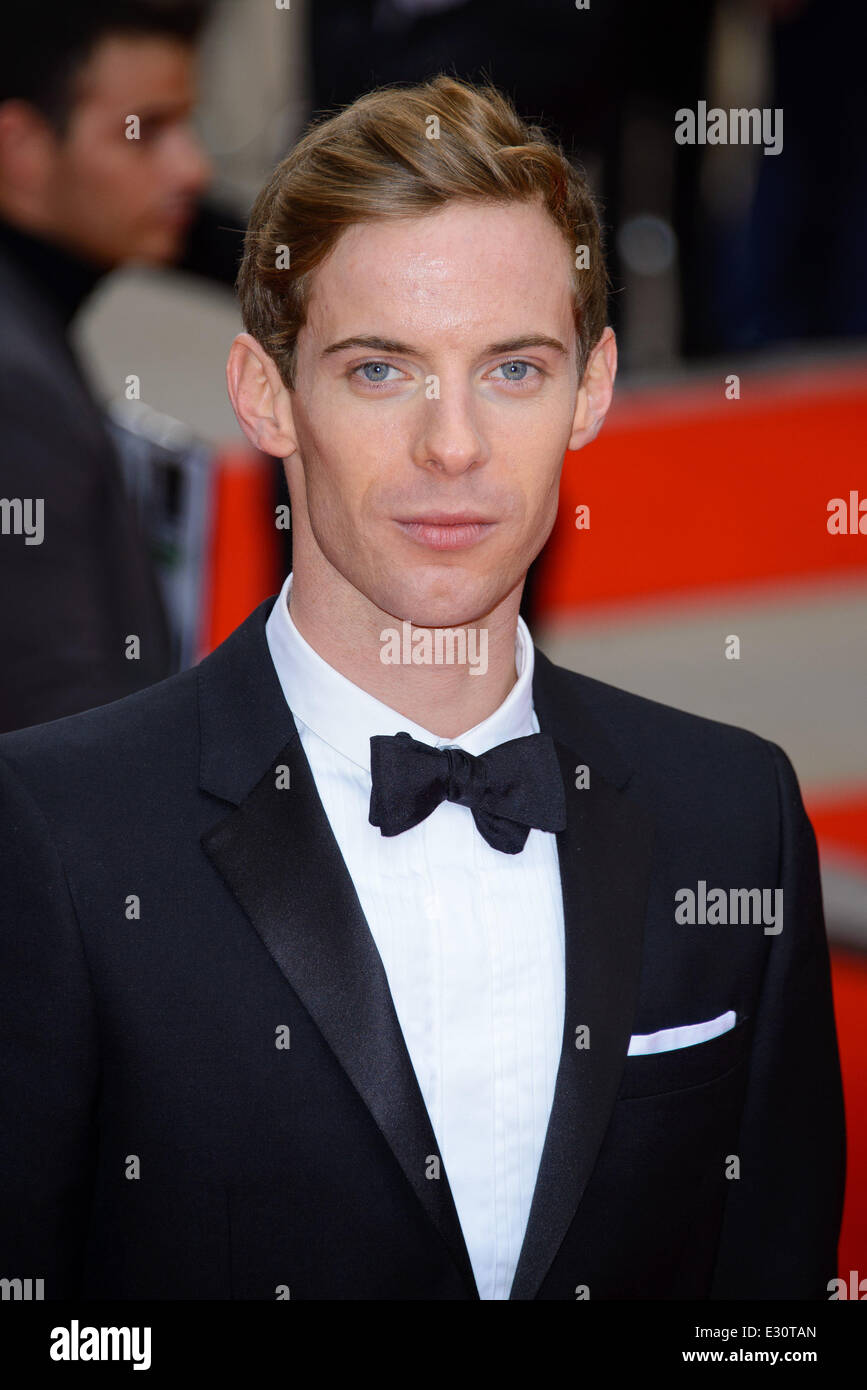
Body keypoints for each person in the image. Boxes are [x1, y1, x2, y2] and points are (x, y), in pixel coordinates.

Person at [0, 74, 845, 1300]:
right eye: (381, 371)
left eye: (511, 369)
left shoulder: (736, 817)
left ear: (593, 388)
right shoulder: (61, 834)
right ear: (266, 395)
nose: (453, 446)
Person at [0, 0, 225, 734]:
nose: (192, 168)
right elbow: (61, 730)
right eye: (145, 133)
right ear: (19, 148)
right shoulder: (17, 395)